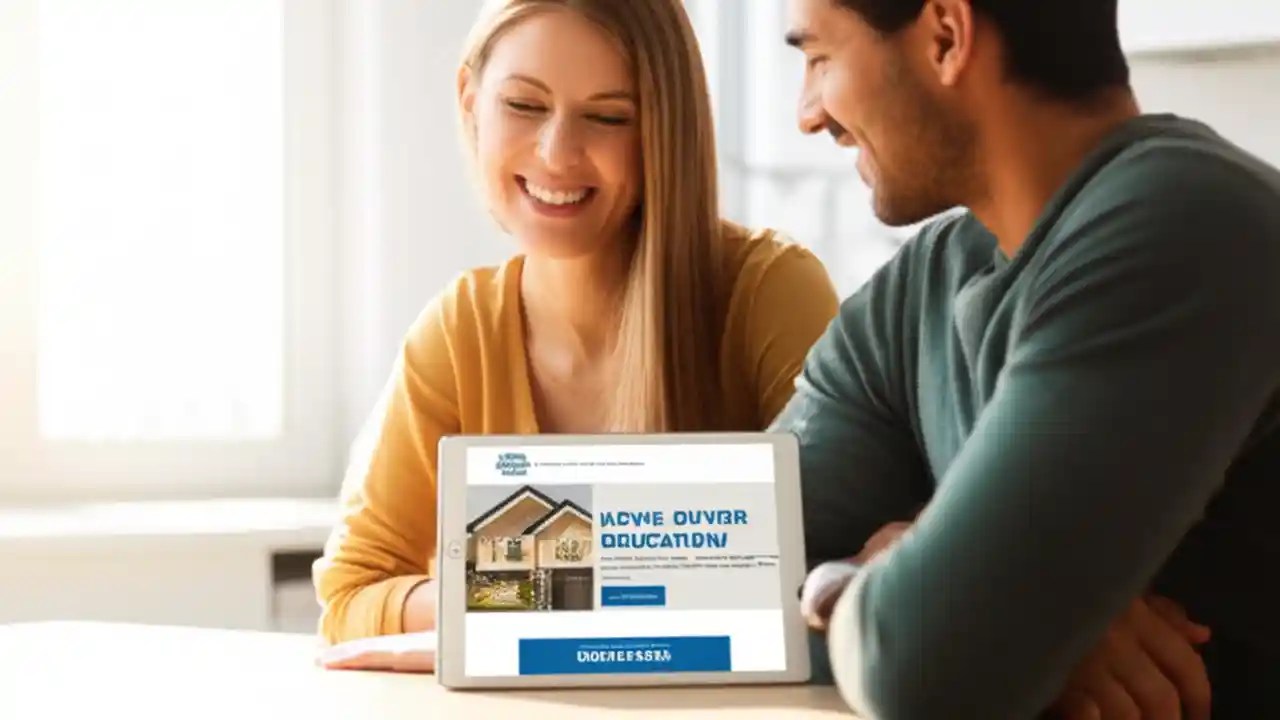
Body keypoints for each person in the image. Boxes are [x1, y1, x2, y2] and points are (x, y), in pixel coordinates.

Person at [777, 0, 1280, 718]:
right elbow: (699, 595)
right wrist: (931, 582)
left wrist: (883, 594)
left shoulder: (1187, 225)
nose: (807, 113)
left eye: (821, 57)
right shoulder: (924, 284)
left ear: (946, 36)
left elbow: (925, 666)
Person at [311, 0, 840, 660]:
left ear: (663, 133)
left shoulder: (770, 292)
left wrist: (517, 591)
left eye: (607, 117)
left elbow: (830, 575)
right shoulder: (459, 332)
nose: (557, 152)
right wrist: (565, 590)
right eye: (525, 106)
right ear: (471, 101)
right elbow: (350, 594)